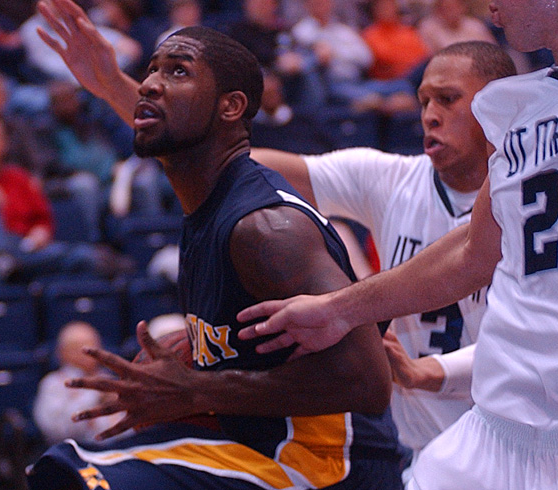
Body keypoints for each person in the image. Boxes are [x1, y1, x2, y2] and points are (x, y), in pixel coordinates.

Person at [28, 2, 400, 489]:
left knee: (78, 480)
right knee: (53, 470)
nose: (151, 84)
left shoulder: (266, 229)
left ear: (231, 107)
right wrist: (106, 79)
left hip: (325, 464)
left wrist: (199, 388)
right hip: (253, 443)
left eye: (177, 71)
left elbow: (368, 383)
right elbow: (174, 125)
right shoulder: (209, 194)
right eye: (151, 70)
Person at [238, 0, 558, 487]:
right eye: (424, 102)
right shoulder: (521, 111)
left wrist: (428, 370)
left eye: (448, 99)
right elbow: (472, 252)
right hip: (497, 429)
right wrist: (338, 310)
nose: (490, 6)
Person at [0, 115, 132, 281]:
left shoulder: (18, 177)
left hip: (23, 247)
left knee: (77, 256)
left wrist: (40, 232)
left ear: (4, 143)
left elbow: (42, 218)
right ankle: (1, 258)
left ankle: (103, 261)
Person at [33, 321, 124, 446]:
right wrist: (94, 395)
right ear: (62, 352)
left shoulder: (110, 380)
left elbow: (130, 428)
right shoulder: (52, 383)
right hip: (72, 452)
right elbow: (56, 432)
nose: (89, 352)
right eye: (79, 348)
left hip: (117, 450)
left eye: (93, 345)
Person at [416, 0, 496, 54]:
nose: (452, 12)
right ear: (438, 10)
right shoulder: (428, 28)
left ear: (463, 7)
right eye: (447, 8)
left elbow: (492, 50)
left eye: (455, 7)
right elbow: (427, 57)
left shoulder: (475, 25)